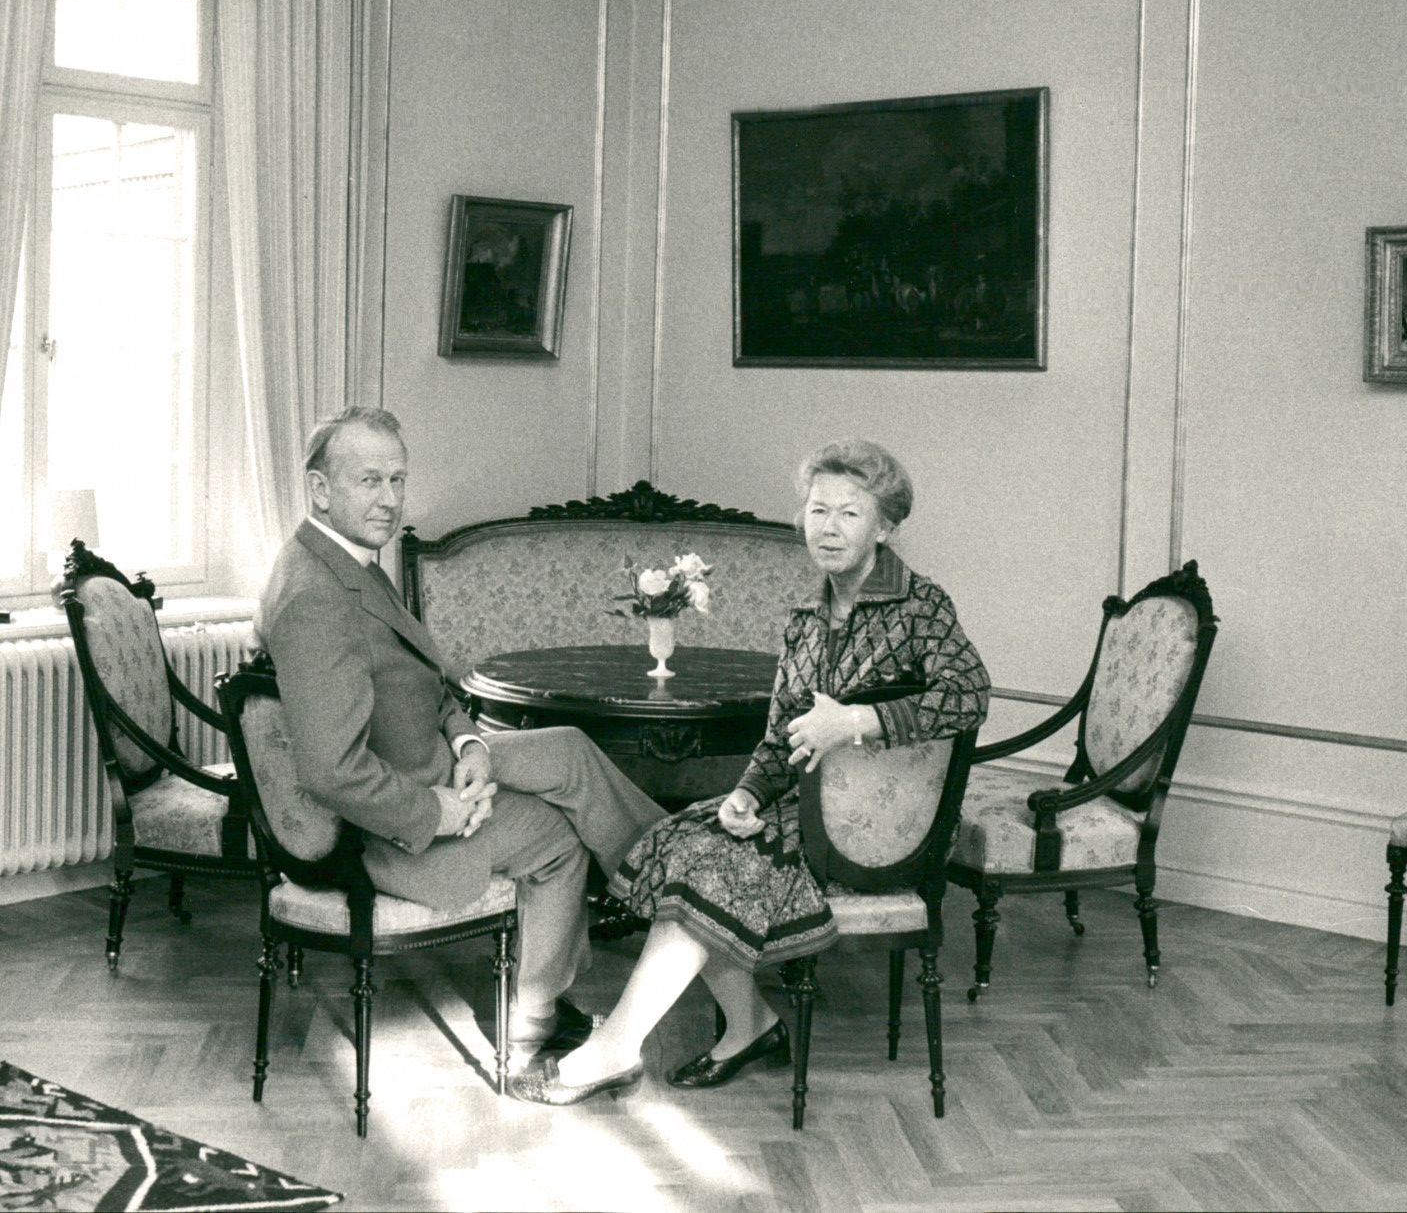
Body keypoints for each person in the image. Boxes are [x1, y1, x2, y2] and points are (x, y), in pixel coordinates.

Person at [510, 439, 990, 1105]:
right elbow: (777, 738)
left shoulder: (920, 605)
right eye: (818, 509)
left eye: (848, 514)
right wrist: (746, 791)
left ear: (884, 526)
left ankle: (616, 1047)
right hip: (803, 808)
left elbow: (969, 695)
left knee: (710, 863)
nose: (827, 527)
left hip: (873, 833)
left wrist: (853, 722)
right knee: (683, 838)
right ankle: (751, 1025)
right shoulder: (806, 621)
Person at [256, 407, 666, 1066]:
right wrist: (436, 812)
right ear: (321, 490)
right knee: (558, 840)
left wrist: (470, 743)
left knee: (570, 749)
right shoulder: (315, 595)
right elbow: (331, 769)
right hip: (386, 825)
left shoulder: (348, 560)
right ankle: (532, 1014)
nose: (390, 500)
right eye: (370, 481)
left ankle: (671, 866)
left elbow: (426, 684)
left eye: (397, 479)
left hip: (428, 755)